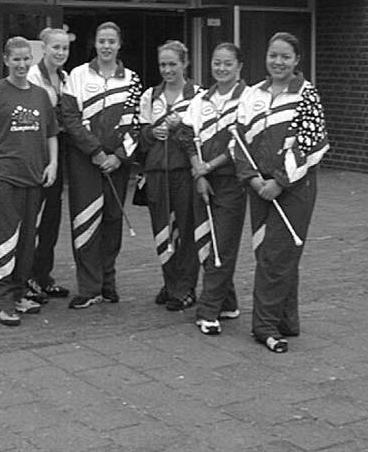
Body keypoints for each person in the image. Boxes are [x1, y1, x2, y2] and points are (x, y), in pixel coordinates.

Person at [231, 32, 329, 353]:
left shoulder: (306, 94)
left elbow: (310, 144)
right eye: (274, 55)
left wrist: (280, 181)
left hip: (295, 188)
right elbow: (239, 138)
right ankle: (287, 318)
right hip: (259, 188)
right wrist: (254, 180)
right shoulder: (253, 94)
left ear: (297, 60)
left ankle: (265, 326)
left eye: (286, 56)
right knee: (268, 253)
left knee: (280, 253)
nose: (278, 62)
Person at [0, 37, 58, 326]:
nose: (21, 64)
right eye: (16, 59)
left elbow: (51, 133)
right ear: (6, 60)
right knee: (3, 240)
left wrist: (53, 163)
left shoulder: (40, 95)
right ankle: (3, 298)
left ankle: (20, 290)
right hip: (3, 176)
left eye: (26, 59)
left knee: (25, 242)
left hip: (33, 177)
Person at [61, 21, 143, 309]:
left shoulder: (132, 79)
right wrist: (95, 151)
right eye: (101, 40)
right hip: (84, 161)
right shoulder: (77, 75)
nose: (106, 46)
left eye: (111, 41)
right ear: (94, 44)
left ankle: (108, 281)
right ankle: (88, 287)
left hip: (116, 164)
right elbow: (69, 118)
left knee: (111, 220)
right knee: (85, 221)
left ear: (119, 44)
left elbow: (136, 124)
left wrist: (118, 157)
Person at [184, 42, 248, 335]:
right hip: (202, 179)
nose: (221, 69)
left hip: (232, 182)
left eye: (227, 64)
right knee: (205, 242)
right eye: (216, 63)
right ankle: (228, 302)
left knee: (222, 244)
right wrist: (198, 171)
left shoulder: (248, 99)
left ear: (239, 67)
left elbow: (242, 144)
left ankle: (208, 310)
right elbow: (187, 135)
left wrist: (209, 167)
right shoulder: (200, 99)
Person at [136, 41, 201, 312]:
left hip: (184, 172)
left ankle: (185, 288)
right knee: (162, 230)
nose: (167, 69)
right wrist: (152, 133)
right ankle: (171, 281)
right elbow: (138, 137)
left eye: (173, 64)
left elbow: (202, 136)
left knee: (185, 230)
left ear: (184, 64)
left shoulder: (199, 95)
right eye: (163, 64)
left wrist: (181, 128)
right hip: (156, 171)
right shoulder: (150, 96)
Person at [25, 27, 71, 302]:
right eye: (55, 47)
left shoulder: (66, 77)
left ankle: (44, 274)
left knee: (52, 217)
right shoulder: (33, 76)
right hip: (36, 152)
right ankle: (27, 276)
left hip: (59, 150)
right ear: (44, 48)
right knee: (34, 217)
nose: (60, 53)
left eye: (64, 48)